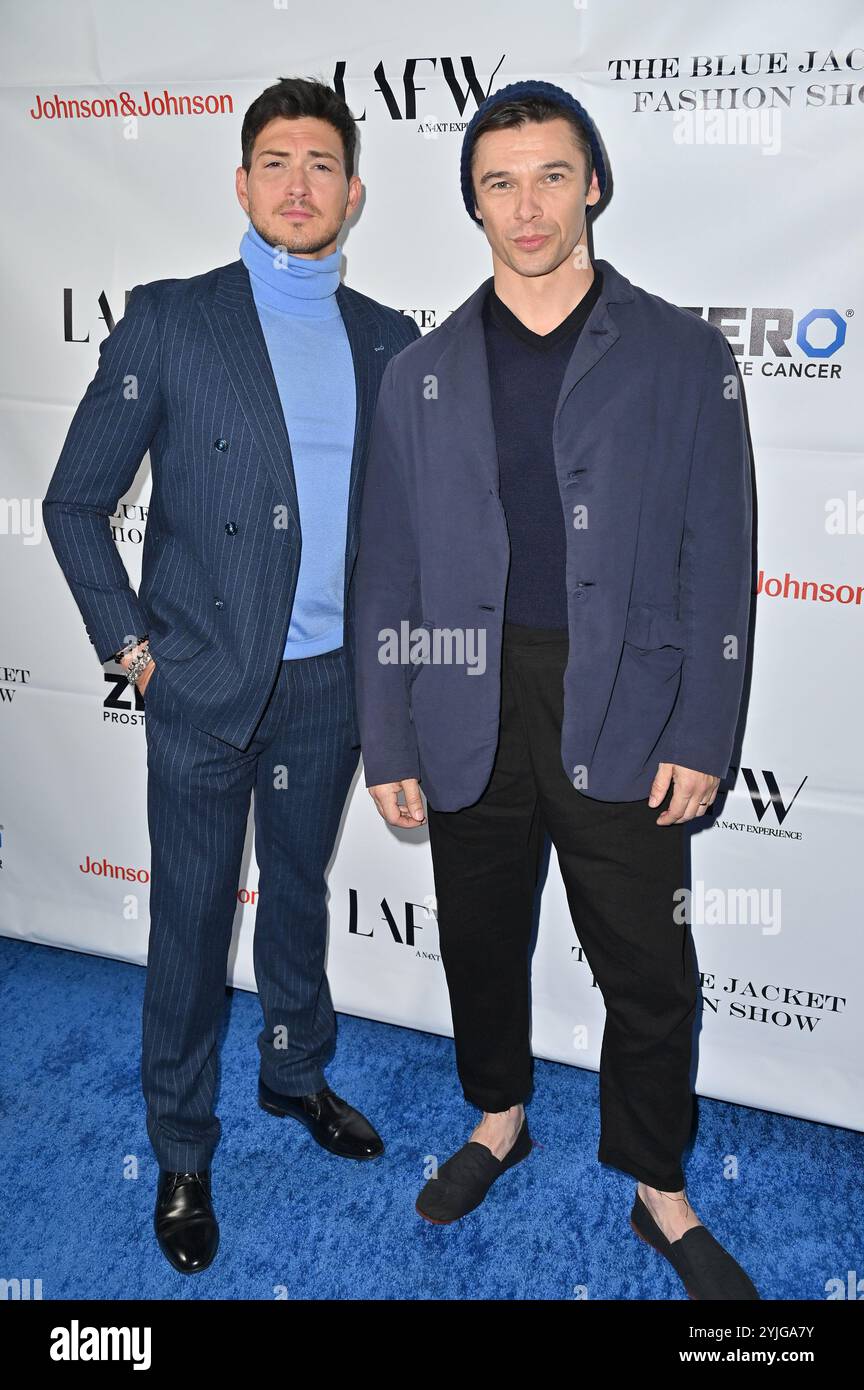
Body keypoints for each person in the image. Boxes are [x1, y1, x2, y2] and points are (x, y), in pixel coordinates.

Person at [353, 79, 758, 1300]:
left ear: (594, 186)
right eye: (499, 182)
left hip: (626, 698)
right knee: (482, 937)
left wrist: (703, 728)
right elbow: (388, 565)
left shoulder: (683, 355)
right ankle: (499, 1116)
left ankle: (657, 1182)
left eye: (549, 177)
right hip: (464, 696)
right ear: (472, 201)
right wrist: (388, 738)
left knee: (648, 963)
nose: (526, 208)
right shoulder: (421, 372)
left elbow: (718, 556)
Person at [43, 76, 420, 1274]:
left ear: (353, 193)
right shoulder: (170, 320)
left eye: (322, 164)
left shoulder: (391, 341)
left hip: (331, 688)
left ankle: (294, 1074)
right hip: (200, 688)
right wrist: (134, 652)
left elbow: (407, 533)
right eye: (276, 162)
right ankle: (181, 1147)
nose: (299, 184)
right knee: (193, 920)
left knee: (299, 891)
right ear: (243, 183)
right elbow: (72, 502)